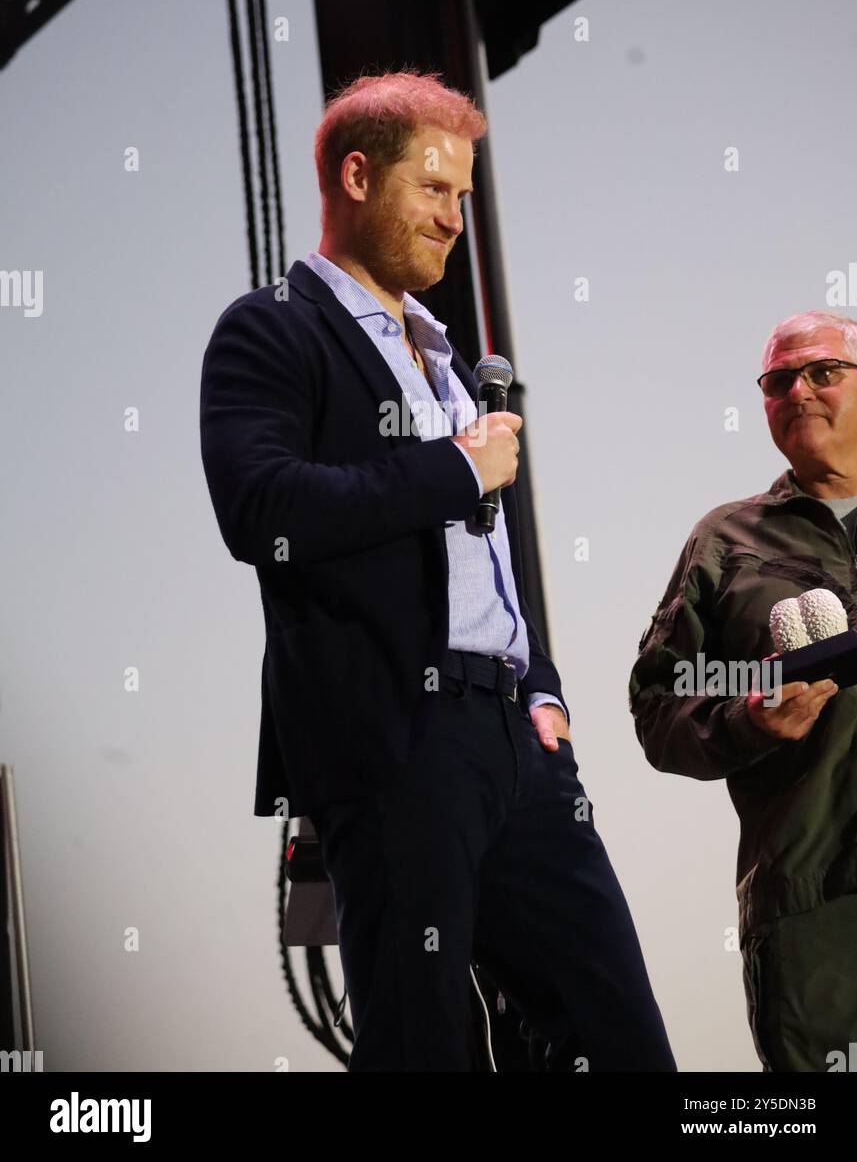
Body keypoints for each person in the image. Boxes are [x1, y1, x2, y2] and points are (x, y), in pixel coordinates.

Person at [200, 69, 675, 1072]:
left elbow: (488, 561)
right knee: (422, 1041)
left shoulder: (449, 362)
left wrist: (540, 689)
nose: (454, 220)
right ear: (359, 176)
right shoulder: (272, 327)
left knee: (616, 1032)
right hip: (393, 738)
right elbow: (262, 512)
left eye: (462, 196)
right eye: (434, 189)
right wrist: (451, 466)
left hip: (517, 741)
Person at [629, 309, 857, 1072]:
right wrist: (749, 718)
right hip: (814, 919)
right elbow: (661, 702)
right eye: (777, 380)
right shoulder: (728, 543)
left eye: (823, 371)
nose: (798, 390)